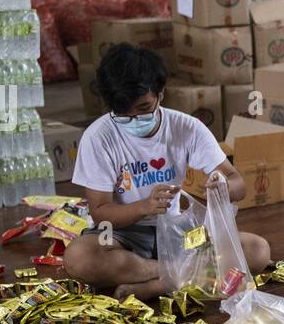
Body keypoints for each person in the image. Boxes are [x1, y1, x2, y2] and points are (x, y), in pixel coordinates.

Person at [64, 42, 271, 301]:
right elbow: (100, 213)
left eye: (143, 109)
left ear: (160, 94)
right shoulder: (98, 137)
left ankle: (156, 285)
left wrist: (221, 187)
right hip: (124, 235)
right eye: (123, 115)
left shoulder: (186, 128)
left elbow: (237, 184)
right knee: (79, 258)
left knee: (257, 251)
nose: (134, 121)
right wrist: (144, 207)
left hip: (178, 232)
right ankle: (174, 274)